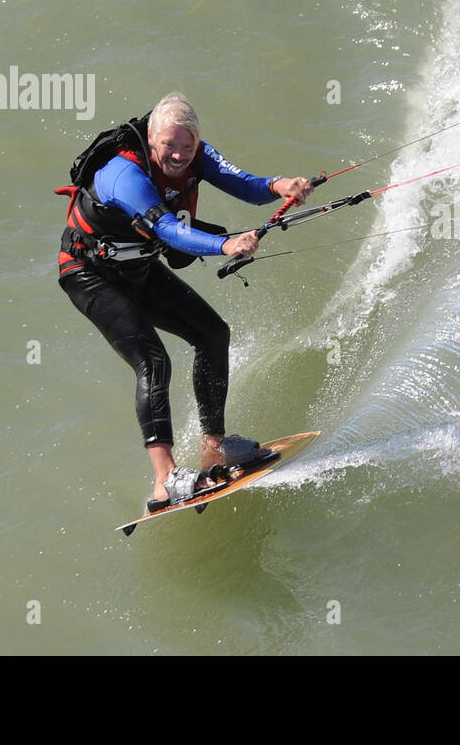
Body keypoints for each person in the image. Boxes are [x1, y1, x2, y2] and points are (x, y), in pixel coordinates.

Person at [55, 92, 315, 511]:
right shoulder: (123, 173)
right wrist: (225, 244)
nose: (178, 155)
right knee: (153, 360)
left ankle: (215, 448)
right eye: (169, 146)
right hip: (91, 274)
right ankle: (165, 479)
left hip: (138, 266)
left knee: (212, 333)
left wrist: (280, 185)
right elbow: (170, 233)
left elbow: (245, 184)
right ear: (151, 139)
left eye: (187, 146)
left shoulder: (196, 154)